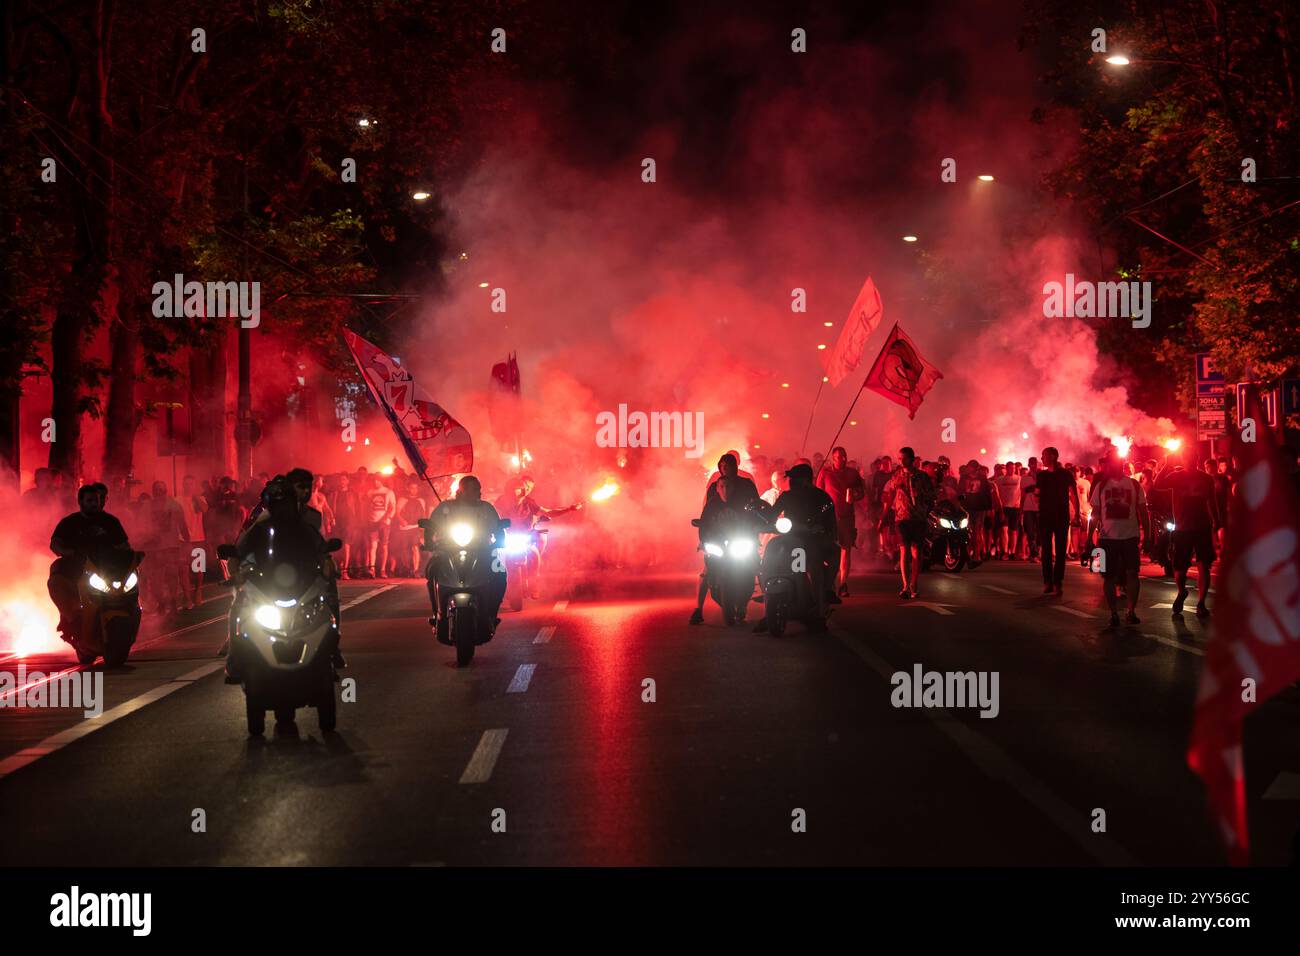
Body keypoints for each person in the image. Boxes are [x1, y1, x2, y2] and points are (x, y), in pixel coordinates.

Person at [754, 462, 838, 631]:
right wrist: (757, 511)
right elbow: (771, 515)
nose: (791, 481)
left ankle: (820, 611)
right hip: (789, 539)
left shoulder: (822, 498)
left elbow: (830, 523)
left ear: (805, 480)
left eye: (795, 478)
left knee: (815, 571)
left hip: (810, 542)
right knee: (768, 556)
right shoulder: (786, 496)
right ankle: (768, 599)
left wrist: (822, 532)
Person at [48, 483, 131, 642]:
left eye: (98, 500)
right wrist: (67, 552)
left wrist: (127, 554)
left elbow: (124, 546)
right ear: (81, 502)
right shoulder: (69, 522)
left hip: (108, 570)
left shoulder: (111, 521)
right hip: (77, 570)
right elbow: (55, 543)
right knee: (55, 582)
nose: (95, 503)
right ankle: (72, 619)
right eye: (90, 500)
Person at [424, 475, 506, 634]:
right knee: (432, 569)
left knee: (500, 572)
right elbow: (431, 526)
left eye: (479, 490)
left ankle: (491, 614)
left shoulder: (486, 508)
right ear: (461, 491)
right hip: (448, 550)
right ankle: (437, 614)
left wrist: (499, 541)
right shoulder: (445, 507)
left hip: (482, 550)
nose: (479, 493)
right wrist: (429, 541)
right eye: (474, 489)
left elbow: (498, 528)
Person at [689, 453, 760, 624]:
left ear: (737, 466)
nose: (726, 469)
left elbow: (757, 508)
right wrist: (704, 540)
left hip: (742, 537)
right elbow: (706, 514)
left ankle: (768, 603)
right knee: (706, 571)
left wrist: (756, 527)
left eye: (730, 465)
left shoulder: (746, 485)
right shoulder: (714, 488)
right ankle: (698, 609)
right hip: (719, 540)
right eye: (723, 466)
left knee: (755, 566)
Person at [1085, 454, 1148, 627]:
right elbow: (1095, 513)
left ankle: (1130, 612)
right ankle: (1113, 613)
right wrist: (1089, 537)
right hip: (1107, 538)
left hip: (1130, 537)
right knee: (1108, 577)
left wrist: (1148, 535)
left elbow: (1143, 511)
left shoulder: (1134, 485)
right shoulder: (1101, 485)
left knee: (1132, 574)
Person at [1155, 457, 1219, 617]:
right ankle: (1182, 591)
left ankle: (1201, 603)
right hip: (1183, 528)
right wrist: (1166, 465)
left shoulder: (1206, 478)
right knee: (1180, 567)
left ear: (1196, 459)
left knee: (1204, 565)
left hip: (1202, 527)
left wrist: (1216, 520)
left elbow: (1212, 500)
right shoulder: (1176, 476)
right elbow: (1157, 485)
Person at [883, 447, 935, 600]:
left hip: (918, 518)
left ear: (912, 459)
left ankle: (914, 584)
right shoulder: (896, 475)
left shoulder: (922, 476)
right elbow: (890, 495)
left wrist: (922, 496)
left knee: (916, 552)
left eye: (904, 458)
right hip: (901, 518)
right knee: (904, 551)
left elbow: (932, 495)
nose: (901, 461)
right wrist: (884, 517)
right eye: (899, 459)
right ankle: (905, 585)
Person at [815, 446, 866, 597]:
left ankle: (843, 584)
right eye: (839, 457)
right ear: (833, 458)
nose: (843, 459)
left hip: (846, 517)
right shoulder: (825, 472)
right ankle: (828, 582)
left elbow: (862, 492)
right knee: (826, 549)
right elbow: (818, 494)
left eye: (844, 456)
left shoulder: (852, 473)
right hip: (828, 518)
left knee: (846, 549)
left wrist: (855, 497)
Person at [1035, 447, 1079, 596]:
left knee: (1060, 551)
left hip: (1061, 516)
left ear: (1053, 457)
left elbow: (1073, 494)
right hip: (1045, 516)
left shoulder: (1065, 474)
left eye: (1044, 455)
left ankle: (1057, 582)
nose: (1042, 458)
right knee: (1046, 550)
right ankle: (1047, 581)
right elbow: (1037, 494)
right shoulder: (1041, 475)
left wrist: (1077, 513)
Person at [177, 474, 208, 608]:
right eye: (186, 483)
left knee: (198, 568)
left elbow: (205, 509)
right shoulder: (178, 500)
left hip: (198, 539)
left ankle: (198, 590)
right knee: (183, 569)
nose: (189, 486)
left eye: (191, 484)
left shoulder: (200, 499)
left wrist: (195, 497)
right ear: (183, 485)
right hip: (182, 540)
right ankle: (187, 597)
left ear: (194, 486)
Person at [362, 472, 396, 578]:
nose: (376, 482)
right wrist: (366, 518)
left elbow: (393, 507)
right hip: (372, 522)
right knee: (373, 546)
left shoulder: (389, 492)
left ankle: (382, 570)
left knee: (384, 546)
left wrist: (389, 518)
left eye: (378, 480)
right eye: (374, 480)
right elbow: (366, 506)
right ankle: (372, 569)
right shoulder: (370, 492)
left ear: (381, 480)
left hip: (384, 522)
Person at [396, 479, 429, 577]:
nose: (414, 490)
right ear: (407, 488)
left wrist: (423, 528)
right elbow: (396, 512)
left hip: (416, 527)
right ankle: (407, 569)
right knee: (405, 549)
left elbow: (423, 514)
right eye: (412, 488)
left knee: (415, 547)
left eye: (415, 488)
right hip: (404, 528)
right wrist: (401, 520)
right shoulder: (402, 499)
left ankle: (415, 570)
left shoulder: (421, 500)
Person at [1020, 456, 1040, 561]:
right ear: (1028, 465)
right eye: (1031, 463)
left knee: (1040, 531)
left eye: (1035, 463)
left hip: (1040, 507)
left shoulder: (1042, 476)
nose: (1033, 465)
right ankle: (1033, 553)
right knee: (1030, 531)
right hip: (1028, 507)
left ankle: (1038, 551)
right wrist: (1021, 509)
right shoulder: (1024, 478)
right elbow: (1022, 495)